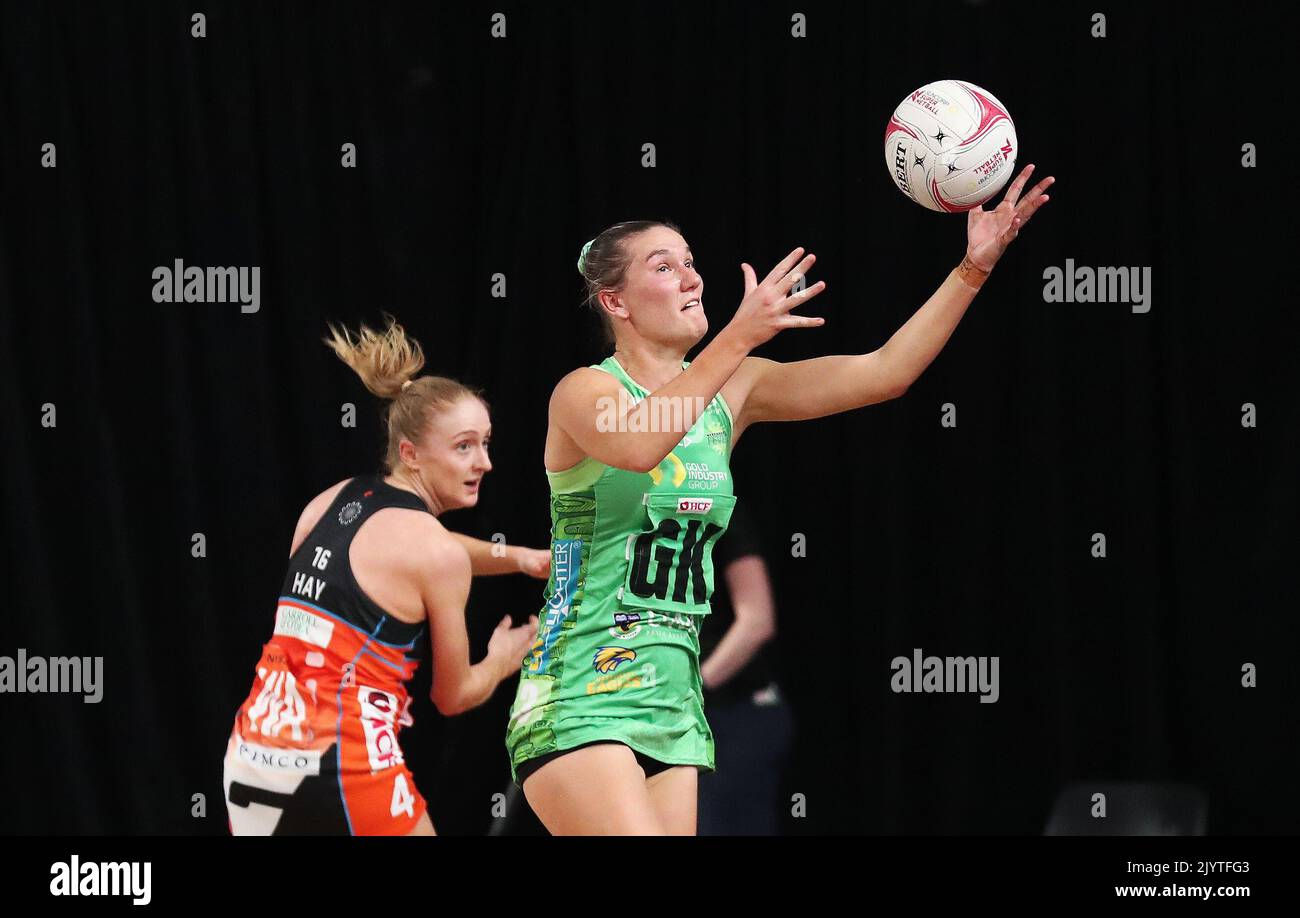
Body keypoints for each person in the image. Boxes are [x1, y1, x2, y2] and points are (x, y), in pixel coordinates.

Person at [506, 165, 1054, 834]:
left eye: (691, 262)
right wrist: (738, 335)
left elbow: (885, 373)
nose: (691, 277)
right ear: (615, 302)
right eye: (663, 267)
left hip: (673, 700)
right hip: (580, 690)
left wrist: (972, 269)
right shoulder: (584, 392)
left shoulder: (735, 390)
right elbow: (639, 446)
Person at [224, 317, 544, 835]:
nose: (484, 461)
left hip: (253, 753)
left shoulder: (331, 501)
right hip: (343, 764)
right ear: (410, 453)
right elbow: (453, 694)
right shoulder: (436, 555)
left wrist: (520, 558)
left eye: (486, 443)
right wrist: (504, 658)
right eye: (464, 446)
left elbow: (402, 556)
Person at [694, 501, 793, 835]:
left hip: (736, 714)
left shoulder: (721, 515)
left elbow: (757, 621)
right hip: (692, 721)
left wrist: (693, 690)